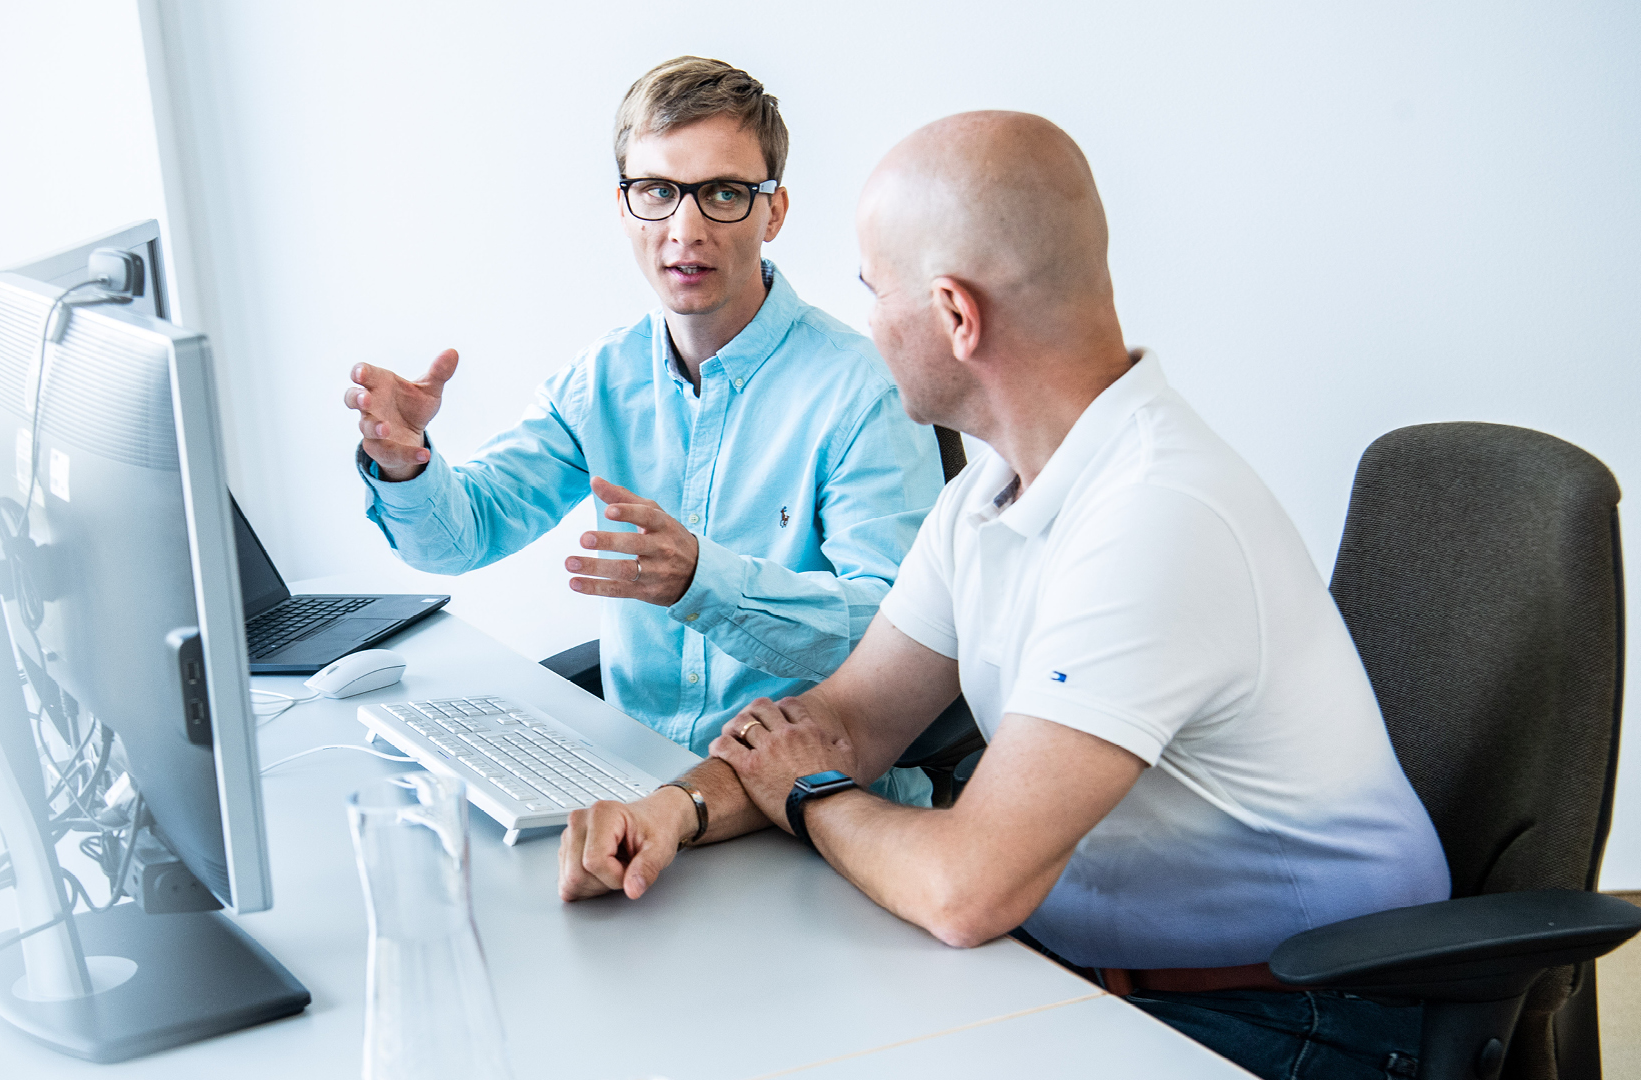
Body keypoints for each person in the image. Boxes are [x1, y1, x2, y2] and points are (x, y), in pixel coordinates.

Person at [556, 111, 1451, 1080]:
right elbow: (846, 720)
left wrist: (807, 793)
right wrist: (674, 811)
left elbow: (963, 887)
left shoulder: (1157, 519)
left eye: (875, 291)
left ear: (954, 316)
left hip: (1299, 1021)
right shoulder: (990, 494)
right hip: (1091, 978)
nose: (867, 324)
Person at [344, 57, 942, 804]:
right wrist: (407, 466)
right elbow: (463, 537)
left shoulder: (862, 390)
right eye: (657, 192)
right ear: (625, 208)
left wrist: (703, 580)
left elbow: (900, 639)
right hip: (637, 782)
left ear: (774, 212)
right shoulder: (599, 380)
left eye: (723, 193)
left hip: (812, 798)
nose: (684, 231)